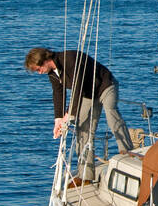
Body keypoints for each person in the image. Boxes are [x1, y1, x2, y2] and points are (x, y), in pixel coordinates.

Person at [25, 47, 132, 183]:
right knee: (83, 130)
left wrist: (69, 115)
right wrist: (58, 120)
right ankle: (85, 176)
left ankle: (126, 151)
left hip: (105, 85)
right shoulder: (52, 73)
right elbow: (58, 93)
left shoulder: (70, 59)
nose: (39, 73)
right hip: (88, 95)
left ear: (45, 60)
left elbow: (78, 87)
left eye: (38, 69)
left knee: (111, 113)